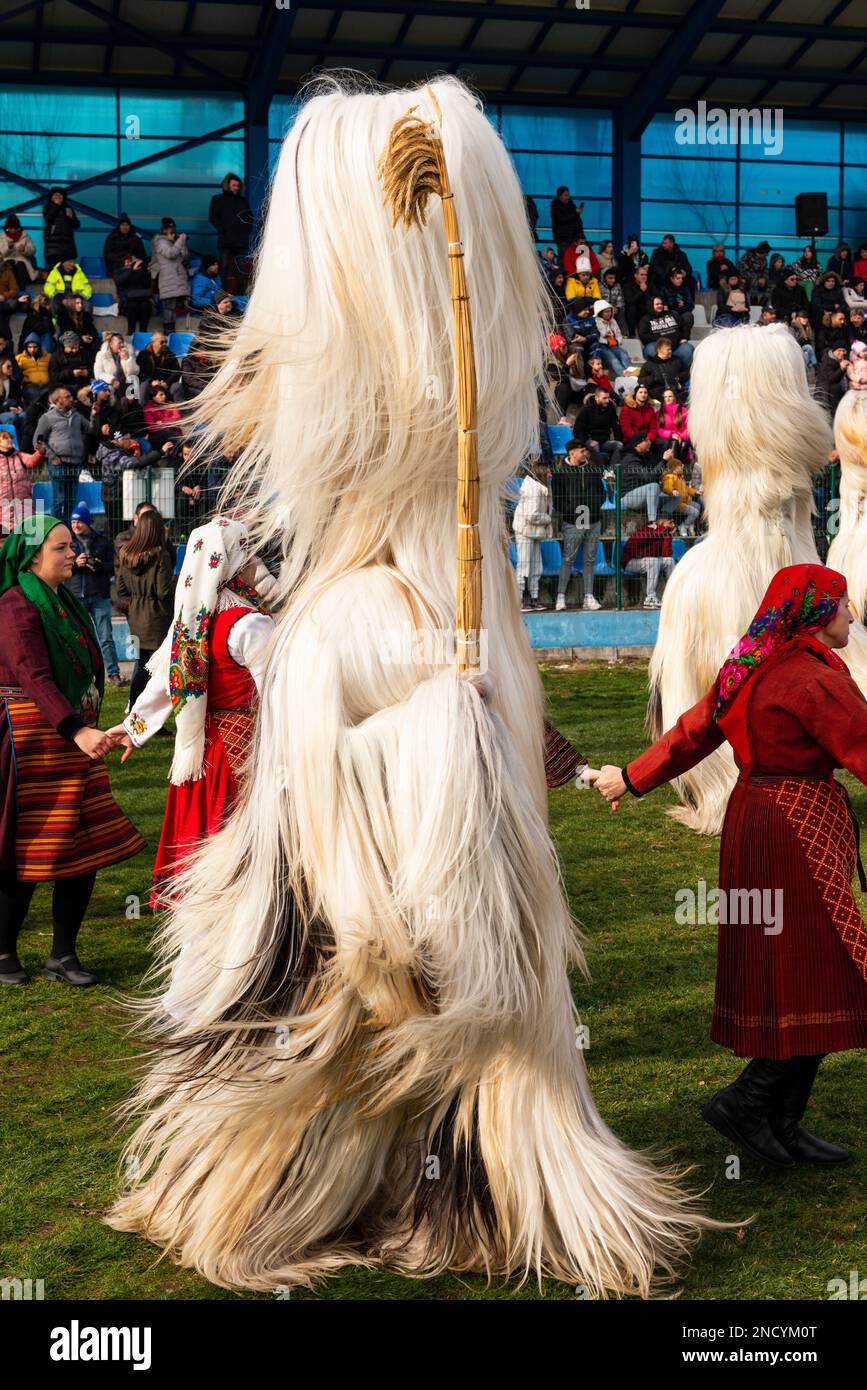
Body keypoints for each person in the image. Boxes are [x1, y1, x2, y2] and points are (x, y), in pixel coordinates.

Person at [107, 77, 715, 1298]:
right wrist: (448, 730)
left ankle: (454, 1163)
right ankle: (397, 1164)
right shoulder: (352, 614)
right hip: (393, 698)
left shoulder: (425, 591)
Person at [590, 564, 866, 1167]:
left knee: (796, 968)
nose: (852, 613)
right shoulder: (811, 680)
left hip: (755, 823)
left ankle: (781, 1122)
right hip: (796, 826)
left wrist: (630, 778)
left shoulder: (750, 666)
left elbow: (691, 733)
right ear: (818, 614)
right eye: (842, 603)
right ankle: (749, 1103)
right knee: (819, 964)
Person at [0, 515, 145, 986]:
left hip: (70, 734)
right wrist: (75, 730)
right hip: (32, 738)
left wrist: (93, 726)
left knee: (84, 844)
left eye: (69, 546)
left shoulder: (64, 602)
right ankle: (2, 952)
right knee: (28, 847)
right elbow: (31, 675)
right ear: (33, 555)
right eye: (60, 548)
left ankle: (63, 954)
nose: (71, 555)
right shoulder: (15, 606)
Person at [109, 517, 271, 902]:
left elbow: (170, 684)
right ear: (233, 562)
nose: (255, 562)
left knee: (207, 834)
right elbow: (278, 693)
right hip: (245, 749)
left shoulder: (191, 625)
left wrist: (134, 727)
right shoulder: (250, 624)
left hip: (203, 750)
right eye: (248, 554)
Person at [114, 508, 175, 707]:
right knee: (158, 671)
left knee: (143, 667)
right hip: (158, 619)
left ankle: (134, 709)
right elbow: (164, 591)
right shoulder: (161, 557)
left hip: (136, 618)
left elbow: (120, 589)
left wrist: (135, 605)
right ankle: (147, 717)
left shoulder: (126, 555)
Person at [67, 503, 124, 688]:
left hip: (99, 595)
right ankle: (80, 674)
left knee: (105, 637)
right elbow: (60, 567)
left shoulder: (103, 542)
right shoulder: (67, 542)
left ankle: (113, 674)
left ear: (87, 522)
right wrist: (75, 564)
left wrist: (99, 566)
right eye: (73, 522)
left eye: (78, 522)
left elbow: (114, 568)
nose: (75, 525)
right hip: (76, 596)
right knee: (77, 637)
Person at [551, 437, 602, 611]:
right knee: (568, 558)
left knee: (590, 559)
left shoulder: (592, 470)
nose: (586, 453)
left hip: (593, 520)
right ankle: (560, 597)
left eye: (586, 451)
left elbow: (601, 493)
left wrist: (594, 507)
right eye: (582, 451)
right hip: (573, 522)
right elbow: (558, 500)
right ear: (572, 453)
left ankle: (589, 596)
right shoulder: (560, 473)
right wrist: (572, 512)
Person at [33, 386, 95, 523]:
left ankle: (68, 532)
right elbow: (37, 441)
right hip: (58, 464)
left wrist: (94, 415)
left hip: (75, 463)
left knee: (71, 501)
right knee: (59, 500)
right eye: (67, 397)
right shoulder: (47, 418)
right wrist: (52, 456)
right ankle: (56, 530)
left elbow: (92, 429)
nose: (71, 398)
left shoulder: (77, 415)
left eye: (71, 396)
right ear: (58, 400)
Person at [513, 458, 552, 610]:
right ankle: (520, 598)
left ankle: (535, 597)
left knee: (537, 565)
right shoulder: (534, 490)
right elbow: (532, 515)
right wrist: (548, 519)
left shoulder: (543, 488)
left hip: (535, 530)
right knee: (524, 564)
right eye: (548, 471)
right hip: (525, 530)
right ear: (542, 473)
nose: (550, 474)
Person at [208, 173, 254, 294]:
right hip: (225, 242)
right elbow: (212, 217)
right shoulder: (217, 199)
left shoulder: (242, 201)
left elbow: (249, 218)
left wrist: (245, 231)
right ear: (227, 185)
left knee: (240, 270)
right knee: (223, 269)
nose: (236, 188)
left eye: (238, 186)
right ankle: (222, 296)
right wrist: (223, 229)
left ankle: (240, 296)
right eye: (234, 185)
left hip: (240, 242)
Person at [621, 515, 675, 608]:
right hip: (630, 561)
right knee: (653, 561)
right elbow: (632, 548)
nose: (673, 525)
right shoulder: (647, 529)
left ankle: (674, 595)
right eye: (670, 522)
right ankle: (650, 598)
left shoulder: (664, 533)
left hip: (648, 561)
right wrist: (662, 530)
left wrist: (667, 536)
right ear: (662, 523)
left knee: (669, 561)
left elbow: (666, 554)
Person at [150, 218, 189, 332]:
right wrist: (180, 240)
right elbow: (170, 253)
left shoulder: (174, 242)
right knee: (168, 307)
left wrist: (182, 242)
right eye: (171, 232)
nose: (174, 235)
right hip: (168, 280)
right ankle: (168, 332)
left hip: (176, 281)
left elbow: (185, 257)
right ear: (165, 231)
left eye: (174, 232)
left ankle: (172, 332)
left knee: (173, 308)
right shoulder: (160, 242)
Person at [0, 427, 41, 533]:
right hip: (3, 506)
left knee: (28, 536)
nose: (9, 439)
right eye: (5, 438)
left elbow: (31, 461)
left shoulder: (19, 455)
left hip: (23, 503)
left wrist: (39, 453)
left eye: (10, 437)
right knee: (5, 539)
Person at [619, 430, 666, 520]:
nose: (650, 442)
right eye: (646, 440)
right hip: (628, 497)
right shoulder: (631, 460)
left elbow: (652, 475)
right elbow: (648, 477)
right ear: (638, 444)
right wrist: (663, 461)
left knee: (674, 497)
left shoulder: (643, 456)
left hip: (641, 495)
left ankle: (663, 522)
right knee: (654, 486)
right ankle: (652, 523)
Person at [638, 298, 693, 368]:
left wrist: (685, 337)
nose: (660, 306)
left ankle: (683, 371)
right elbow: (643, 335)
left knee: (688, 348)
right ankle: (663, 371)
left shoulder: (672, 314)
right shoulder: (645, 319)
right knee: (650, 349)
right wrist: (661, 341)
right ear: (651, 305)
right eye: (657, 304)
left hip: (676, 347)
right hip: (658, 346)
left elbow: (684, 326)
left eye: (661, 304)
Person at [136, 330, 183, 403]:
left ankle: (181, 412)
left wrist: (167, 383)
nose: (164, 344)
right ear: (153, 342)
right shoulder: (143, 355)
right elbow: (139, 372)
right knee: (144, 386)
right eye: (162, 342)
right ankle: (141, 412)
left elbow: (177, 372)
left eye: (166, 342)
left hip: (165, 387)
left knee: (177, 386)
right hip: (150, 387)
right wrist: (151, 382)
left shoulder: (170, 355)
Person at [660, 454, 701, 535]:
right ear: (675, 467)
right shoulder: (670, 477)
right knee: (695, 512)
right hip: (677, 504)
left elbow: (686, 489)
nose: (682, 467)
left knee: (697, 505)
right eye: (680, 466)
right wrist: (672, 491)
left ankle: (690, 524)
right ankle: (684, 526)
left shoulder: (680, 478)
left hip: (683, 502)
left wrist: (695, 491)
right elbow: (667, 487)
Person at [114, 252, 152, 336]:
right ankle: (131, 332)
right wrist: (131, 271)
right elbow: (119, 281)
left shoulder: (139, 271)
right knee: (132, 306)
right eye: (127, 261)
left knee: (146, 305)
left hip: (141, 299)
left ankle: (143, 333)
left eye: (131, 261)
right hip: (126, 302)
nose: (130, 263)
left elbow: (146, 285)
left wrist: (146, 271)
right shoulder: (119, 272)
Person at [94, 332, 141, 399]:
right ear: (111, 344)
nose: (122, 345)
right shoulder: (101, 354)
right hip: (109, 384)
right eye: (119, 343)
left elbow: (134, 372)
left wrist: (127, 360)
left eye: (122, 343)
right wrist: (112, 380)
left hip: (125, 383)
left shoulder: (128, 352)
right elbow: (98, 374)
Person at [42, 189, 79, 269]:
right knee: (54, 270)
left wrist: (72, 217)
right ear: (51, 197)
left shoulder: (68, 208)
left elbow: (76, 225)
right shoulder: (48, 207)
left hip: (67, 244)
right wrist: (56, 205)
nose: (58, 197)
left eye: (60, 195)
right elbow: (48, 218)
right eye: (56, 195)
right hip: (53, 244)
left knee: (67, 271)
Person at [102, 213, 146, 277]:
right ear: (119, 226)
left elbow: (142, 254)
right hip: (117, 267)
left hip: (133, 267)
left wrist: (133, 259)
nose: (125, 227)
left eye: (127, 225)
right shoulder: (112, 237)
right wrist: (123, 259)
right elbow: (108, 255)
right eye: (122, 225)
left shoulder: (135, 238)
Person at [0, 215, 37, 288]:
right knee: (9, 264)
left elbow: (33, 250)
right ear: (7, 228)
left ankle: (22, 289)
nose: (13, 230)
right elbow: (1, 252)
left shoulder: (25, 235)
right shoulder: (2, 236)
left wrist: (24, 249)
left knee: (21, 265)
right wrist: (9, 247)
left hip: (22, 260)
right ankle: (11, 287)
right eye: (10, 228)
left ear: (18, 227)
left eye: (15, 228)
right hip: (7, 259)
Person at [549, 185, 584, 261]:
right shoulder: (555, 207)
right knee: (564, 258)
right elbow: (561, 220)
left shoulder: (571, 204)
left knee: (574, 259)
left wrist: (581, 235)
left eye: (568, 195)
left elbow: (577, 221)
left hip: (574, 238)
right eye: (565, 195)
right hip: (562, 239)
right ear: (559, 196)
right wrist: (575, 213)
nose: (568, 197)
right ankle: (561, 272)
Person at [15, 333, 51, 403]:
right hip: (30, 386)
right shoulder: (19, 358)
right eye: (29, 347)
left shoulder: (48, 357)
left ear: (39, 347)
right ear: (26, 347)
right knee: (36, 396)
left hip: (46, 385)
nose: (32, 349)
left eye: (35, 347)